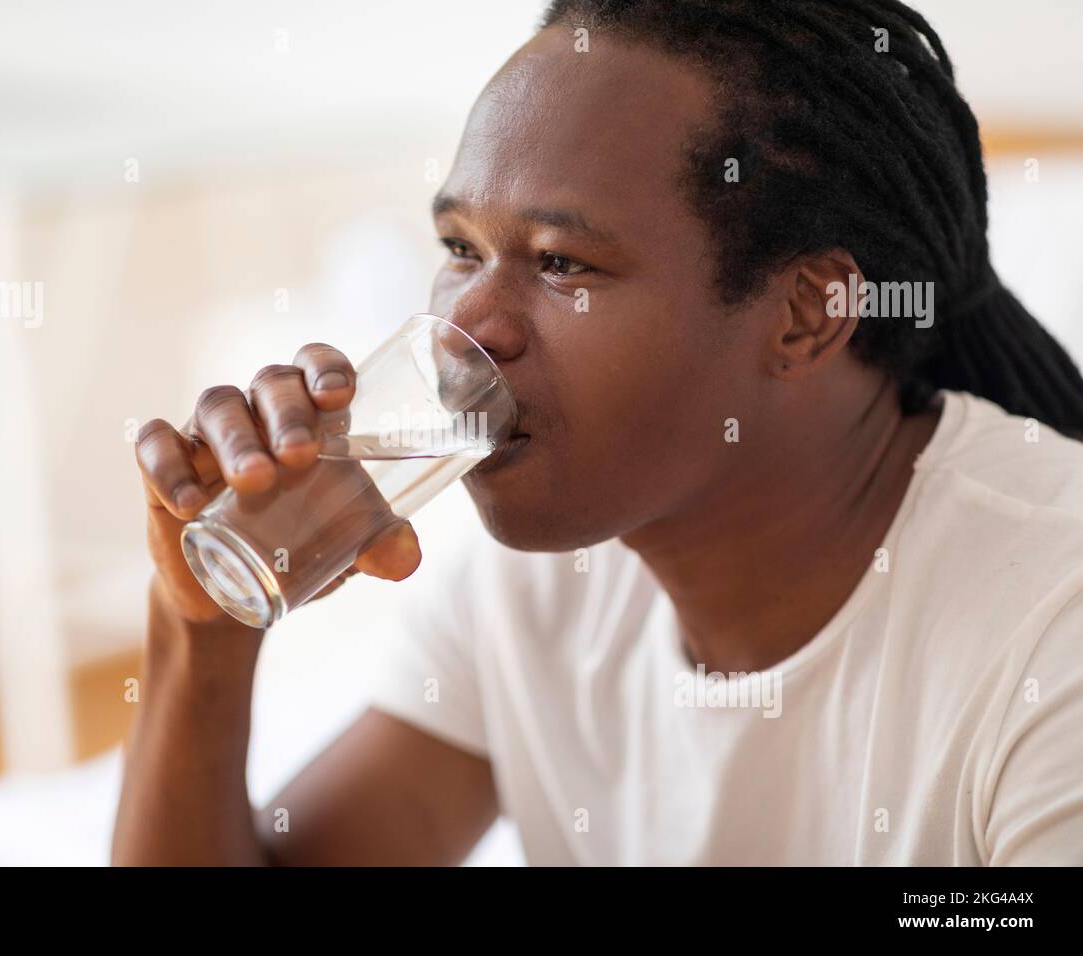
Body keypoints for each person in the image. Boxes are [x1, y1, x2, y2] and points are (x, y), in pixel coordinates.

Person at [112, 0, 1083, 865]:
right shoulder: (539, 588)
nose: (473, 326)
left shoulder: (1053, 632)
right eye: (459, 247)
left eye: (563, 262)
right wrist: (200, 629)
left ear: (805, 315)